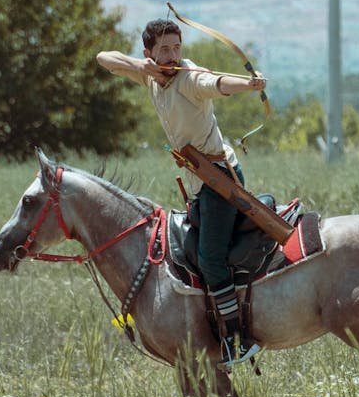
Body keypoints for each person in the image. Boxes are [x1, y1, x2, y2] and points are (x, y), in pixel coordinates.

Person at [97, 19, 267, 365]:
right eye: (164, 50)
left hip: (219, 179)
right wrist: (141, 66)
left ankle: (235, 339)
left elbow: (216, 83)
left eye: (177, 48)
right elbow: (104, 57)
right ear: (150, 53)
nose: (173, 55)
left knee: (209, 258)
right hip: (197, 183)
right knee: (191, 252)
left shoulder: (189, 79)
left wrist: (249, 84)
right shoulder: (151, 75)